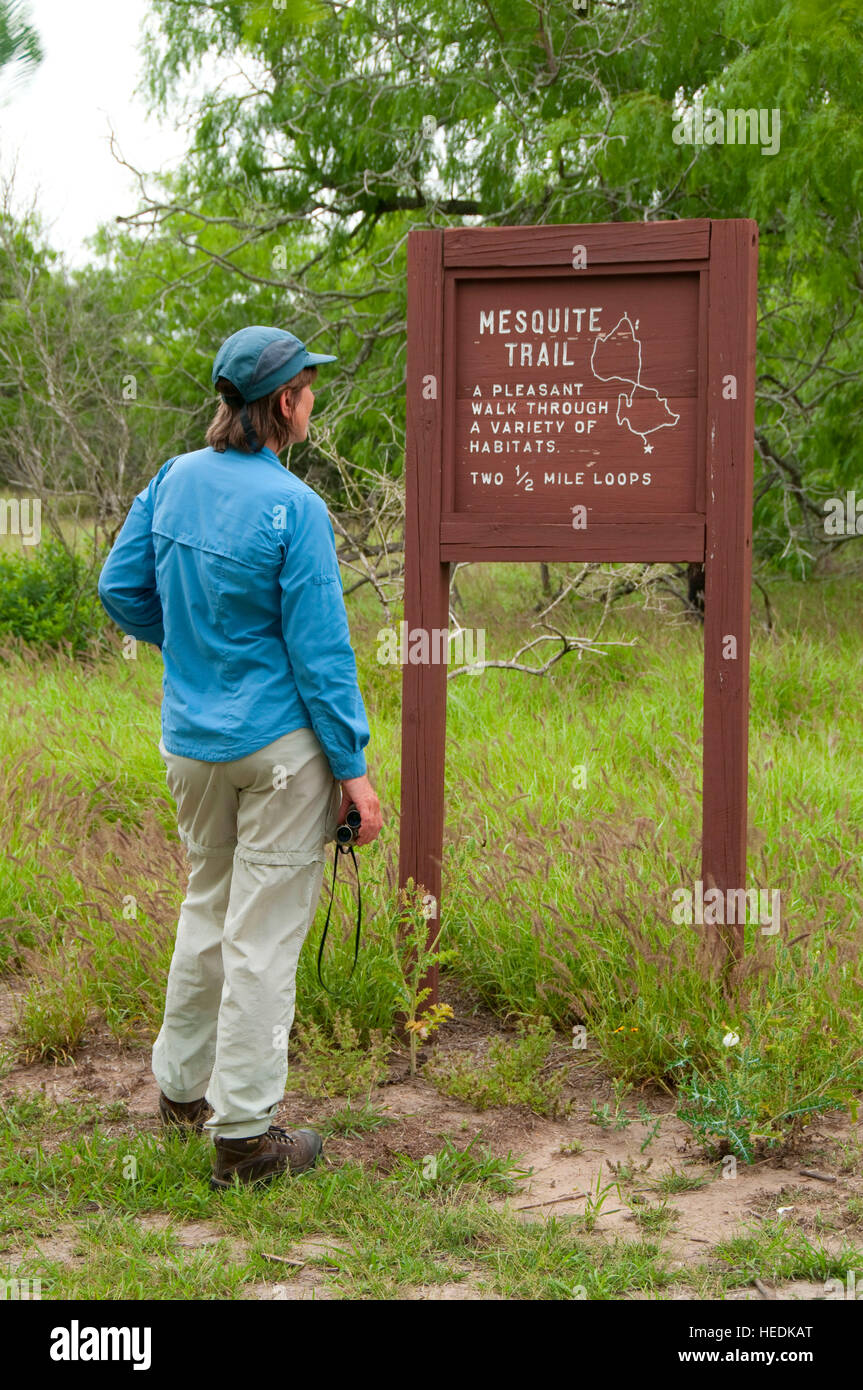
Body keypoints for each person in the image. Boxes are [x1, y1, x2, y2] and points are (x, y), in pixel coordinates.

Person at [97, 325, 382, 1190]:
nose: (312, 400)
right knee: (262, 938)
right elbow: (321, 657)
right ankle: (247, 1138)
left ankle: (182, 1094)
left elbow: (119, 588)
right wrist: (356, 772)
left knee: (206, 909)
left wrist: (189, 646)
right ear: (283, 403)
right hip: (279, 753)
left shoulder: (173, 478)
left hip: (192, 745)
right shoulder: (295, 509)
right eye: (307, 388)